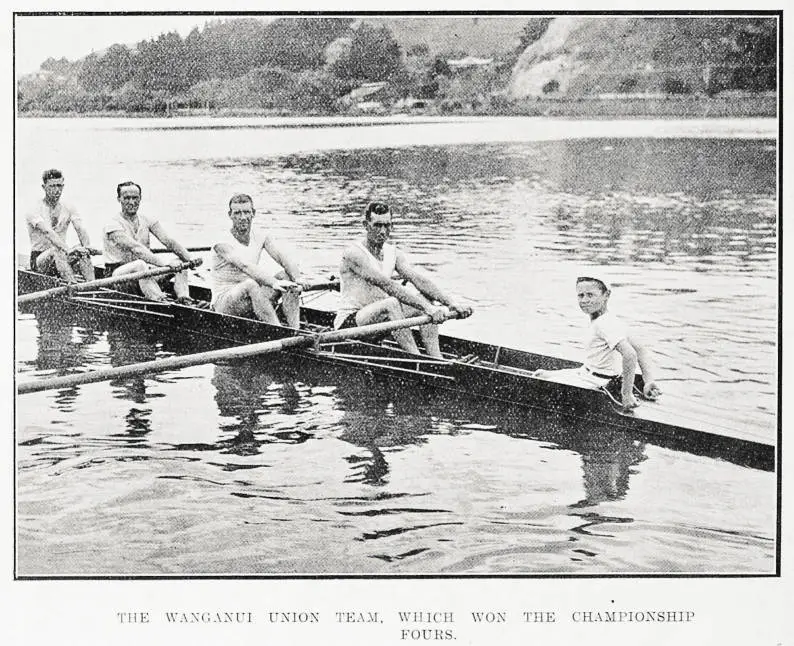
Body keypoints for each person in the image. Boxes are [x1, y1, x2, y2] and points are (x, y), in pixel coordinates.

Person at [333, 201, 472, 358]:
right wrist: (429, 309)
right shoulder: (354, 253)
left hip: (379, 322)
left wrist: (451, 303)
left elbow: (418, 279)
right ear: (366, 225)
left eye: (387, 226)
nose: (382, 231)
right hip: (350, 325)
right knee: (392, 303)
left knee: (424, 298)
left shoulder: (394, 253)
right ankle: (415, 358)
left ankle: (436, 359)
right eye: (377, 225)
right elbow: (387, 284)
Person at [533, 275, 662, 409]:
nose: (584, 300)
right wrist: (648, 381)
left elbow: (630, 355)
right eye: (581, 295)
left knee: (538, 381)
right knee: (542, 374)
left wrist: (627, 394)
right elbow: (640, 349)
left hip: (596, 381)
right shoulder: (611, 319)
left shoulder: (604, 324)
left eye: (590, 295)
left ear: (606, 295)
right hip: (588, 373)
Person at [210, 193, 303, 328]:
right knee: (251, 284)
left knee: (287, 276)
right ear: (230, 215)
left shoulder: (260, 235)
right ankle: (278, 330)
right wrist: (273, 282)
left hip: (252, 298)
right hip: (224, 304)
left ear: (253, 213)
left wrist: (298, 278)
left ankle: (295, 329)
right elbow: (244, 265)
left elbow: (282, 256)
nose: (243, 217)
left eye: (247, 212)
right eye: (237, 213)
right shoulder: (221, 241)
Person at [103, 181, 195, 303]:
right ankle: (160, 300)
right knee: (140, 264)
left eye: (135, 198)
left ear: (140, 198)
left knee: (180, 262)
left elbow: (168, 241)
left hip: (143, 273)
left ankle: (184, 299)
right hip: (118, 277)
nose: (131, 202)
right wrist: (165, 265)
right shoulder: (112, 224)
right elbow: (137, 249)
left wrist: (189, 259)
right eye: (126, 198)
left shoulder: (147, 220)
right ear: (119, 199)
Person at [25, 168, 95, 283]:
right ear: (44, 187)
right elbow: (49, 233)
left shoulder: (68, 206)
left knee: (81, 250)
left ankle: (93, 287)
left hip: (61, 256)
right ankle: (73, 289)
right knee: (56, 250)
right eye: (52, 186)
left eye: (59, 186)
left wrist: (87, 247)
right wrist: (68, 250)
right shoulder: (34, 209)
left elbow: (80, 229)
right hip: (39, 259)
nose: (57, 190)